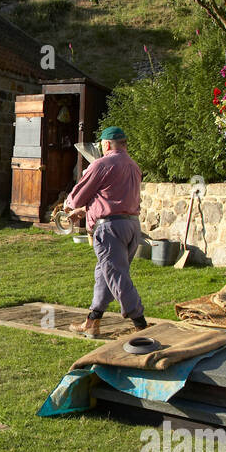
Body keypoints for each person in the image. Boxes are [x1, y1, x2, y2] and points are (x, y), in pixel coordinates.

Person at [64, 126, 147, 337]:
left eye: (102, 145)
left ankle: (140, 324)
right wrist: (86, 211)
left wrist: (70, 206)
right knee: (104, 275)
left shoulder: (102, 164)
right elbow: (114, 199)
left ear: (107, 144)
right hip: (131, 226)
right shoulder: (134, 166)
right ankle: (92, 322)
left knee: (117, 276)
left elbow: (77, 196)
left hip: (110, 230)